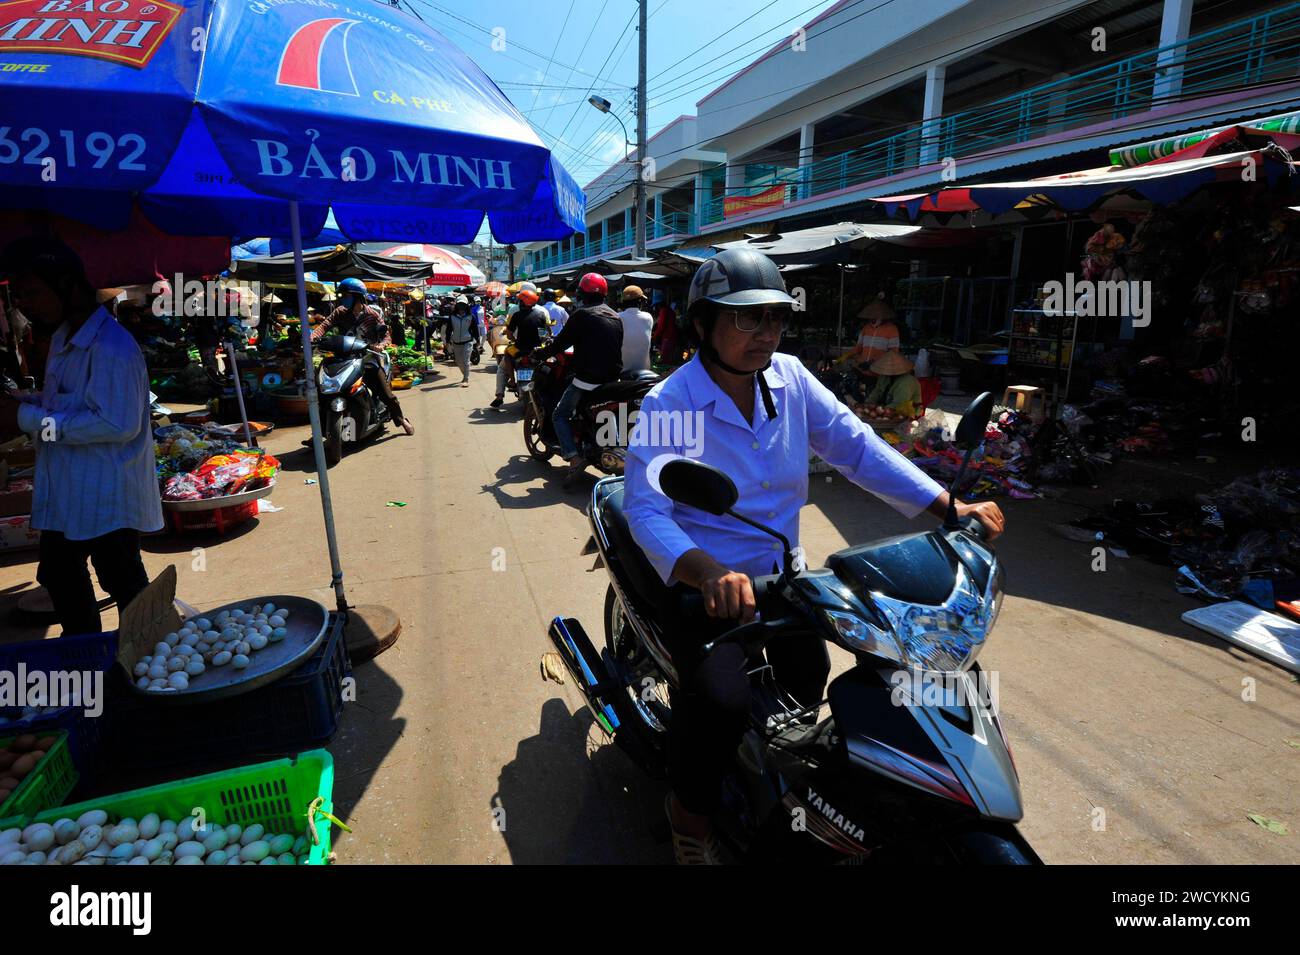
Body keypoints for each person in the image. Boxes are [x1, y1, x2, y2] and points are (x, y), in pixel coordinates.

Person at [622, 248, 1005, 864]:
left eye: (774, 319)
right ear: (703, 325)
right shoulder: (674, 404)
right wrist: (708, 571)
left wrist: (947, 509)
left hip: (786, 576)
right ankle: (688, 817)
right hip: (706, 581)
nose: (765, 335)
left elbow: (859, 450)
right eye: (747, 320)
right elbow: (647, 508)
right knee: (720, 704)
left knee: (814, 678)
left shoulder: (791, 379)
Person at [0, 237, 165, 637]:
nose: (24, 304)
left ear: (67, 287)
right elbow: (72, 401)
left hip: (106, 489)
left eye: (32, 293)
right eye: (18, 295)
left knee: (120, 578)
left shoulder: (110, 346)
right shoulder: (63, 337)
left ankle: (148, 654)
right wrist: (31, 399)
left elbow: (115, 423)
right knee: (58, 573)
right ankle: (85, 654)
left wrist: (24, 416)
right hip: (71, 487)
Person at [532, 272, 623, 487]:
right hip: (614, 379)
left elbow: (560, 343)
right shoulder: (615, 315)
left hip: (588, 379)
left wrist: (540, 354)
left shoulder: (582, 315)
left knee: (559, 415)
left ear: (582, 294)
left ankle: (574, 457)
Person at [310, 276, 414, 435]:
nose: (343, 299)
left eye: (346, 296)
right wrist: (313, 336)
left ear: (357, 297)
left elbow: (387, 337)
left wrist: (380, 346)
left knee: (387, 395)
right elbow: (324, 326)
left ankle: (400, 419)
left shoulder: (372, 314)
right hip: (344, 359)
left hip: (367, 360)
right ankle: (319, 434)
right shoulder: (340, 312)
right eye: (342, 296)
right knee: (324, 391)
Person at [490, 282, 546, 408]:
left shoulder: (514, 311)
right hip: (537, 349)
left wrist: (513, 339)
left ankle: (501, 393)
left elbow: (509, 332)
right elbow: (547, 331)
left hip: (519, 347)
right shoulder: (542, 311)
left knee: (501, 368)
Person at [838, 291, 900, 368]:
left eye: (875, 317)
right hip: (863, 368)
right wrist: (847, 355)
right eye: (871, 317)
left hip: (879, 371)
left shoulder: (892, 329)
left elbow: (893, 352)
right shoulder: (866, 328)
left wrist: (874, 362)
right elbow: (858, 347)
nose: (872, 319)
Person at [864, 349, 923, 416]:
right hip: (888, 407)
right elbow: (877, 391)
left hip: (907, 412)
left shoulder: (906, 382)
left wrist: (881, 410)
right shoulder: (884, 377)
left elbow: (899, 403)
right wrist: (868, 403)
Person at [617, 284, 653, 374]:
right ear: (640, 301)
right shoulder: (648, 317)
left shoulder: (617, 317)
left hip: (622, 372)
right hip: (645, 372)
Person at [446, 295, 480, 387]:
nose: (461, 306)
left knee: (466, 360)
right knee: (459, 361)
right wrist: (447, 341)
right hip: (456, 342)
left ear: (466, 305)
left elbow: (475, 329)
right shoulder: (452, 317)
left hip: (467, 341)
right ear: (457, 305)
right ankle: (465, 373)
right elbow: (448, 329)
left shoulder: (471, 316)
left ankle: (466, 378)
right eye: (459, 304)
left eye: (463, 304)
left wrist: (478, 340)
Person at [652, 297, 681, 366]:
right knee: (669, 358)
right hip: (672, 336)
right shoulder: (670, 310)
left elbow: (661, 327)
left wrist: (654, 337)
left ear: (659, 305)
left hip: (668, 337)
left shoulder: (663, 311)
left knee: (665, 359)